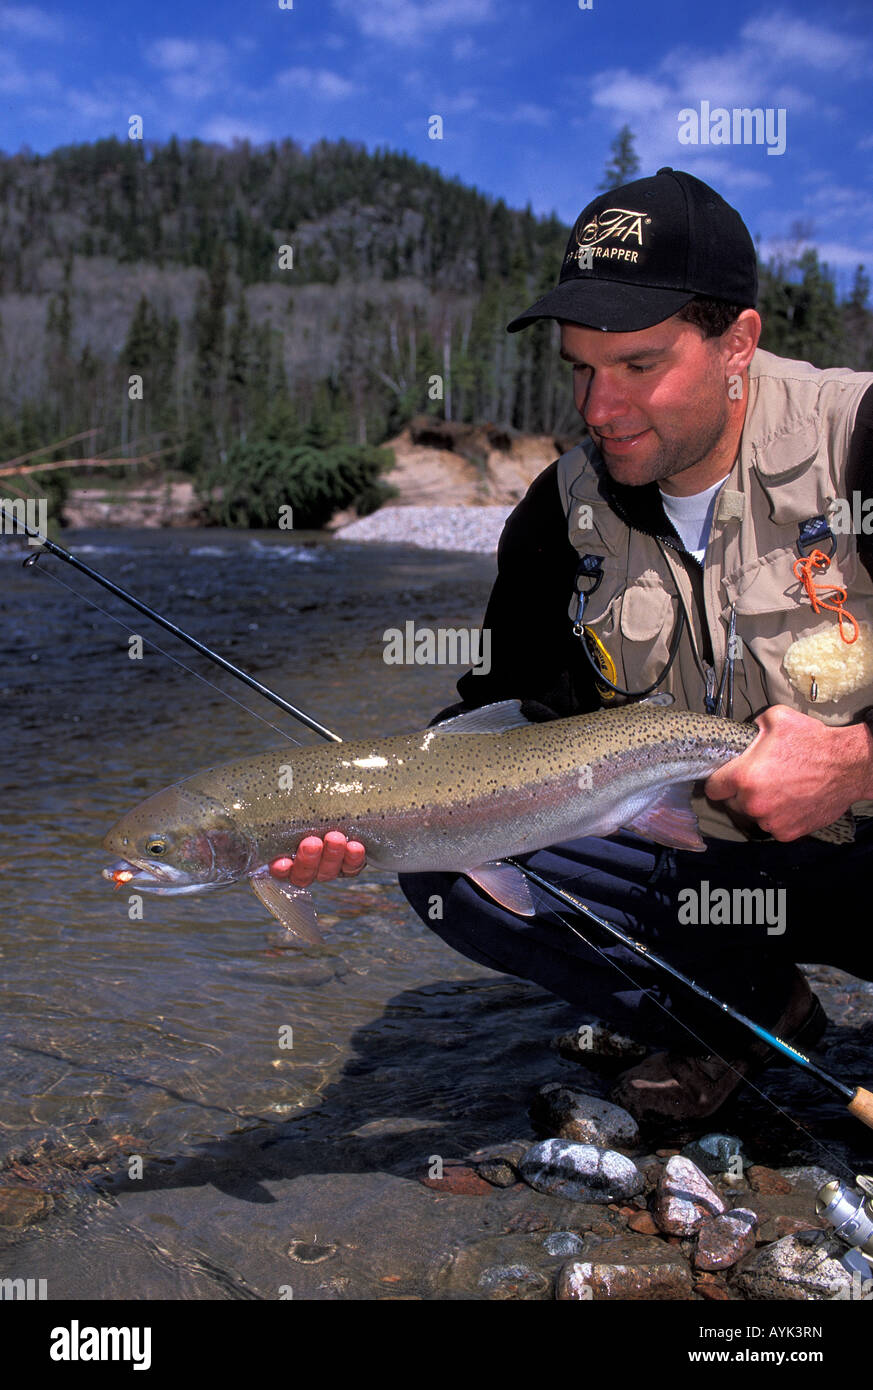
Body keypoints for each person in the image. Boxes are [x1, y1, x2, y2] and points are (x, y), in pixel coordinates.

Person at [270, 168, 873, 1124]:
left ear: (737, 344)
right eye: (581, 369)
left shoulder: (859, 439)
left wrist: (855, 756)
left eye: (638, 365)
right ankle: (752, 1018)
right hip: (702, 852)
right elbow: (508, 714)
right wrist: (377, 822)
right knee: (445, 873)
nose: (599, 408)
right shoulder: (560, 512)